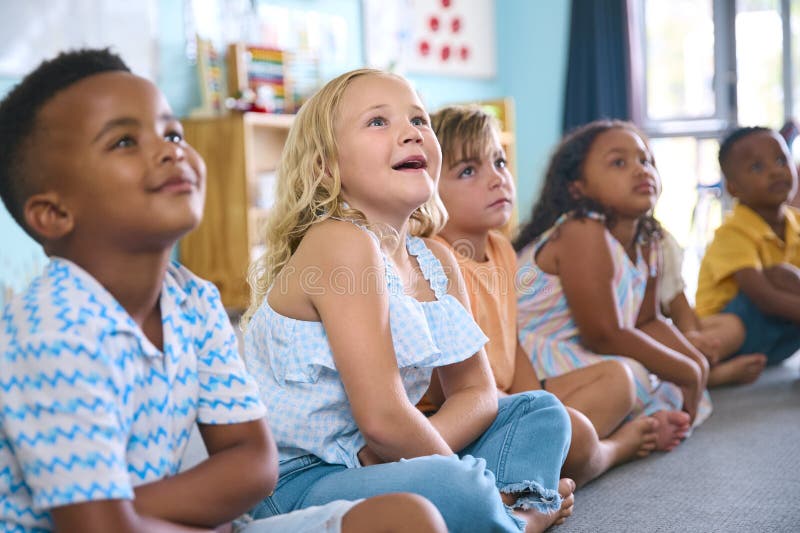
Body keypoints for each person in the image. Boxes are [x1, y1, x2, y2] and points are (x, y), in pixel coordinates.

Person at [0, 49, 447, 533]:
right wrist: (118, 516)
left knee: (408, 518)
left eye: (172, 132)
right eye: (126, 141)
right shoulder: (50, 331)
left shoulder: (192, 300)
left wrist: (122, 510)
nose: (171, 149)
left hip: (148, 522)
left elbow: (254, 464)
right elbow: (93, 526)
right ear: (53, 213)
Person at [242, 68, 574, 533]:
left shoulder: (435, 257)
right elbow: (380, 418)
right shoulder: (339, 242)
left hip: (374, 463)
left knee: (539, 411)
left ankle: (495, 510)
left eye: (419, 119)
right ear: (326, 167)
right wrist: (452, 475)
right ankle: (519, 515)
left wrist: (417, 461)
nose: (411, 133)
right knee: (458, 490)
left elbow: (477, 393)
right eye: (378, 122)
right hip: (295, 482)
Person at [426, 105, 658, 487]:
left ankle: (539, 462)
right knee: (577, 433)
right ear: (427, 190)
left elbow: (511, 341)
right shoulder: (433, 261)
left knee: (618, 379)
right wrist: (533, 414)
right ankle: (609, 453)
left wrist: (535, 405)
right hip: (458, 413)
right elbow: (443, 385)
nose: (497, 179)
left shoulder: (501, 251)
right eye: (468, 171)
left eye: (499, 162)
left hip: (502, 399)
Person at [513, 120, 712, 453]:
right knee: (635, 374)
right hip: (538, 360)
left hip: (587, 354)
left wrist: (696, 365)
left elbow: (647, 321)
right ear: (578, 187)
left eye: (646, 160)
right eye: (619, 162)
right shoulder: (582, 231)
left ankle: (628, 425)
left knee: (669, 378)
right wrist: (688, 372)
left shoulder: (650, 240)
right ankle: (614, 440)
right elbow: (604, 335)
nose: (640, 170)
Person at [695, 126, 800, 369]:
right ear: (733, 188)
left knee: (789, 277)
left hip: (776, 335)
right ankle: (712, 370)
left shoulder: (795, 223)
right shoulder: (732, 233)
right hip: (728, 329)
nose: (775, 171)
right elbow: (764, 298)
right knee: (779, 276)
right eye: (757, 167)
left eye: (780, 160)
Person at [658, 229, 767, 386]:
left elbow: (679, 307)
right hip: (622, 346)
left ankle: (694, 370)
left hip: (658, 335)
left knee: (731, 326)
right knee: (627, 372)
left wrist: (692, 338)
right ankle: (710, 377)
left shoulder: (660, 240)